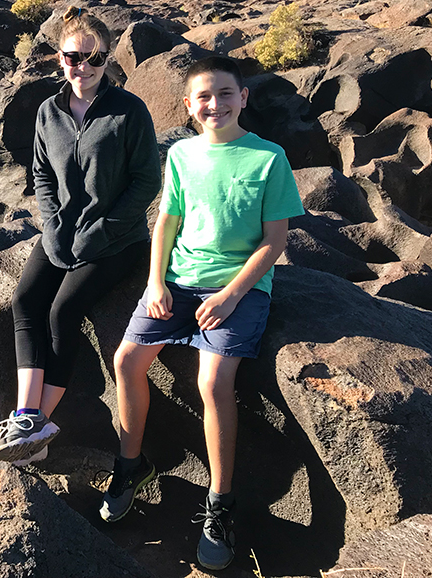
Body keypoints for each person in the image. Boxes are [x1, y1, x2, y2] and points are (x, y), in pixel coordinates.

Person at [100, 55, 304, 571]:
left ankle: (220, 502)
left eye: (226, 94)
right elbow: (167, 221)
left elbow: (274, 241)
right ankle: (131, 466)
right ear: (189, 106)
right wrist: (155, 282)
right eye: (204, 97)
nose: (216, 104)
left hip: (239, 290)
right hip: (178, 282)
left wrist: (232, 295)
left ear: (243, 98)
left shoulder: (268, 158)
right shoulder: (182, 156)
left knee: (213, 383)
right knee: (127, 361)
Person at [0, 7, 161, 466]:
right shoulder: (49, 111)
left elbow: (147, 182)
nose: (81, 67)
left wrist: (102, 230)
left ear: (107, 60)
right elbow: (42, 174)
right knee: (25, 300)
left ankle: (39, 425)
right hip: (61, 231)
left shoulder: (129, 111)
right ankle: (26, 414)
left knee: (64, 310)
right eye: (72, 57)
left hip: (119, 240)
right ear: (59, 58)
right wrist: (52, 226)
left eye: (93, 58)